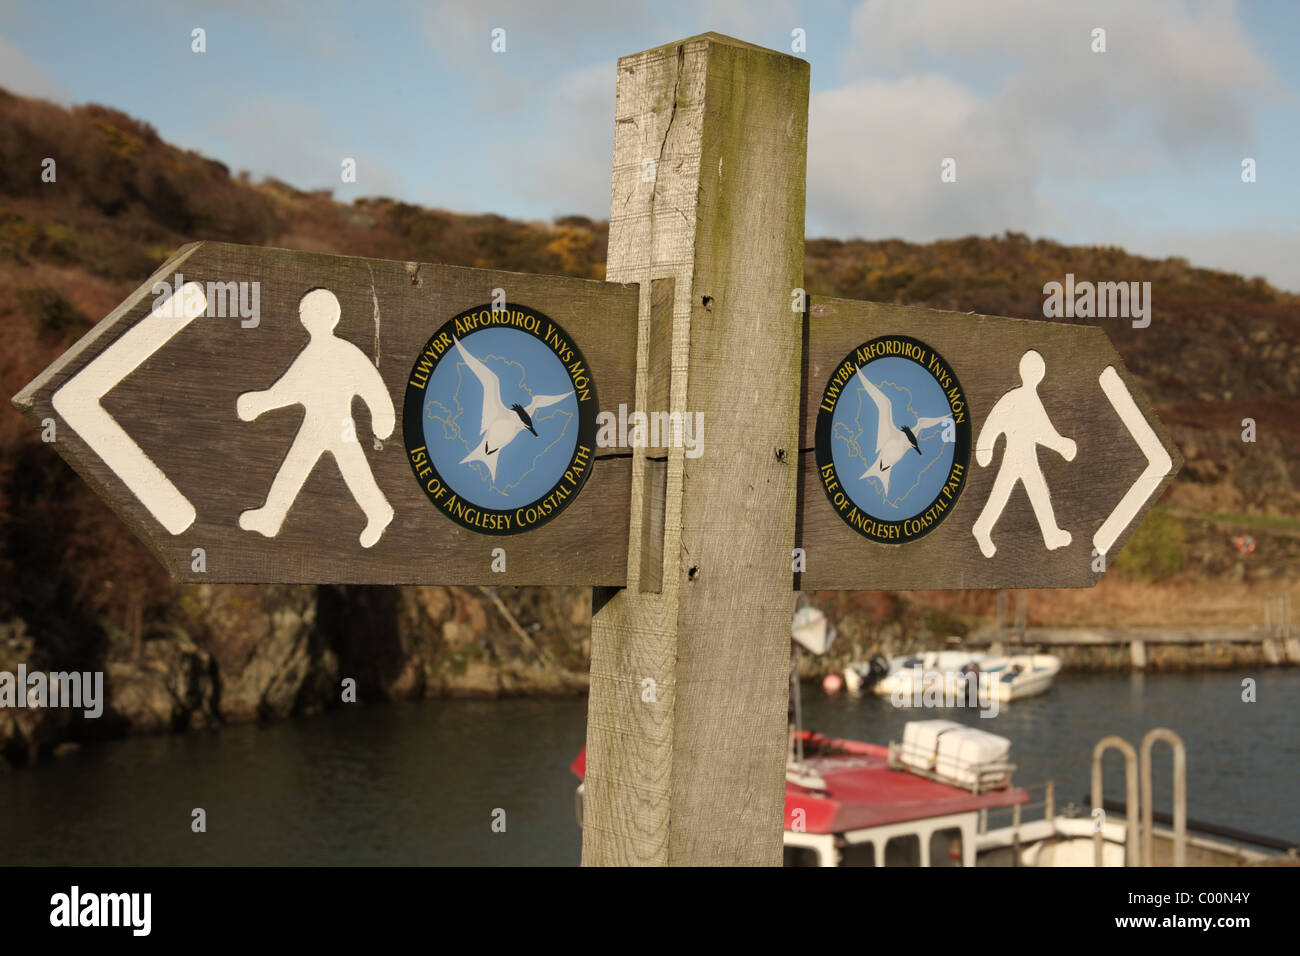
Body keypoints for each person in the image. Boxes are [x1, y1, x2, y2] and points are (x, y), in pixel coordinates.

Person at [237, 288, 395, 548]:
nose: (308, 317)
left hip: (341, 425)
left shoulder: (345, 352)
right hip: (315, 425)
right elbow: (287, 390)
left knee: (355, 471)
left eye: (312, 312)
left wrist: (382, 416)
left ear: (331, 316)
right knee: (293, 468)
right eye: (306, 313)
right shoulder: (309, 355)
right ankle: (272, 515)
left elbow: (371, 384)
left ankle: (379, 512)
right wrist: (261, 403)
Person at [971, 349, 1075, 558]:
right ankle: (982, 529)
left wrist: (1061, 444)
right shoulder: (1017, 398)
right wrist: (985, 448)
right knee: (1007, 493)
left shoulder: (1030, 399)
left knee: (1033, 492)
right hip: (1016, 457)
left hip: (1025, 457)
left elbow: (1043, 431)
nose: (1036, 373)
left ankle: (1050, 534)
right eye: (1033, 369)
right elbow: (995, 422)